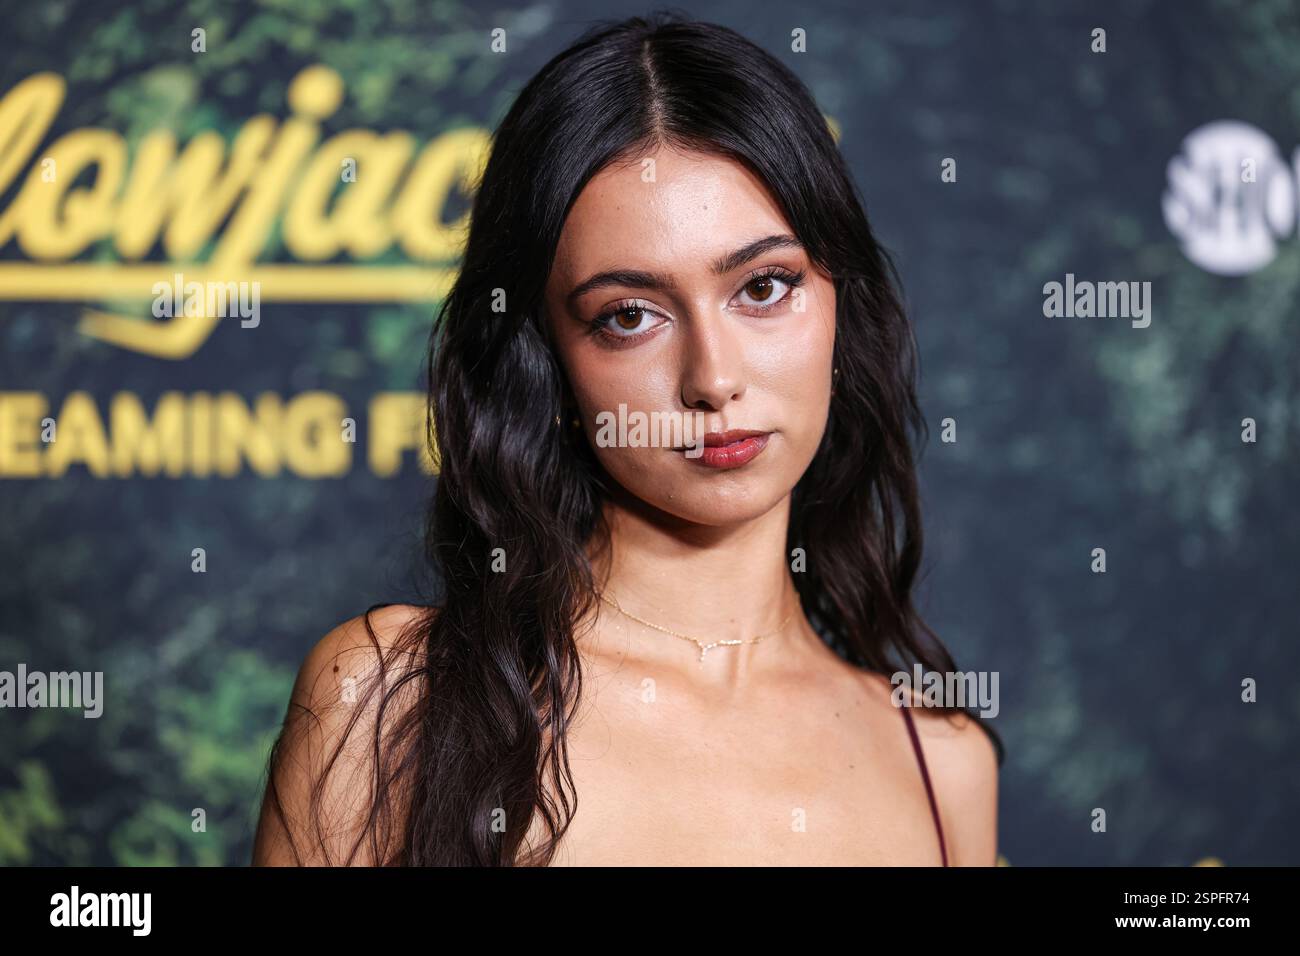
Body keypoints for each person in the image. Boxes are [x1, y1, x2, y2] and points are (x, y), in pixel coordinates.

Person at [253, 11, 1003, 867]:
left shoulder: (943, 766)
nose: (713, 379)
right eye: (630, 315)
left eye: (764, 287)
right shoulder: (388, 700)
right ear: (548, 357)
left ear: (840, 302)